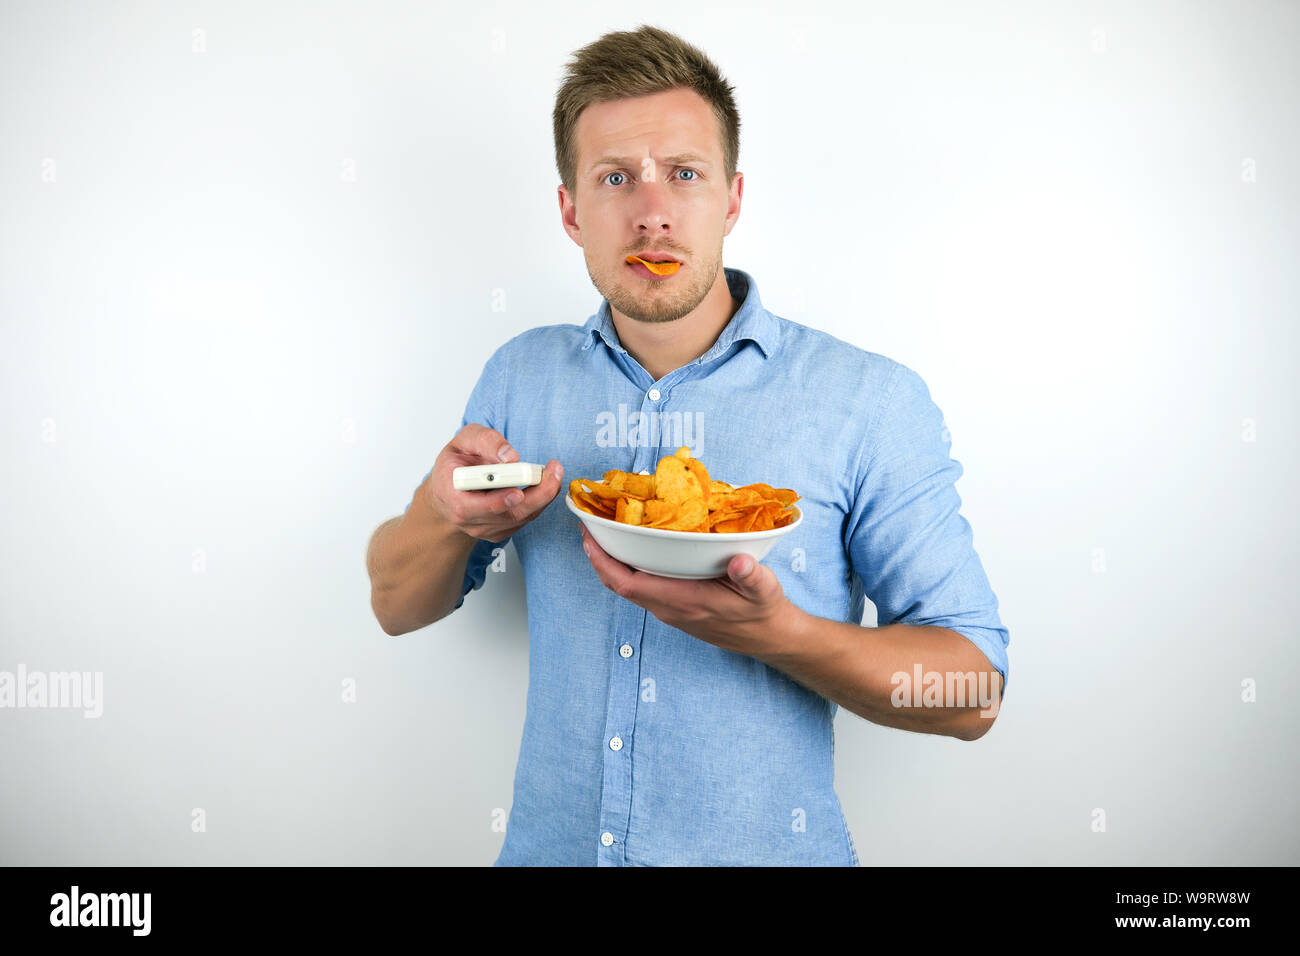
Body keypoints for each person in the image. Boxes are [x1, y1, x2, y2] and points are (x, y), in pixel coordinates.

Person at [365, 24, 1009, 866]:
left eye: (684, 173)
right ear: (570, 211)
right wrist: (443, 515)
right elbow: (394, 604)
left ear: (732, 199)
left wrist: (784, 635)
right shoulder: (519, 378)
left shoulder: (868, 402)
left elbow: (973, 693)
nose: (652, 210)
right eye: (615, 178)